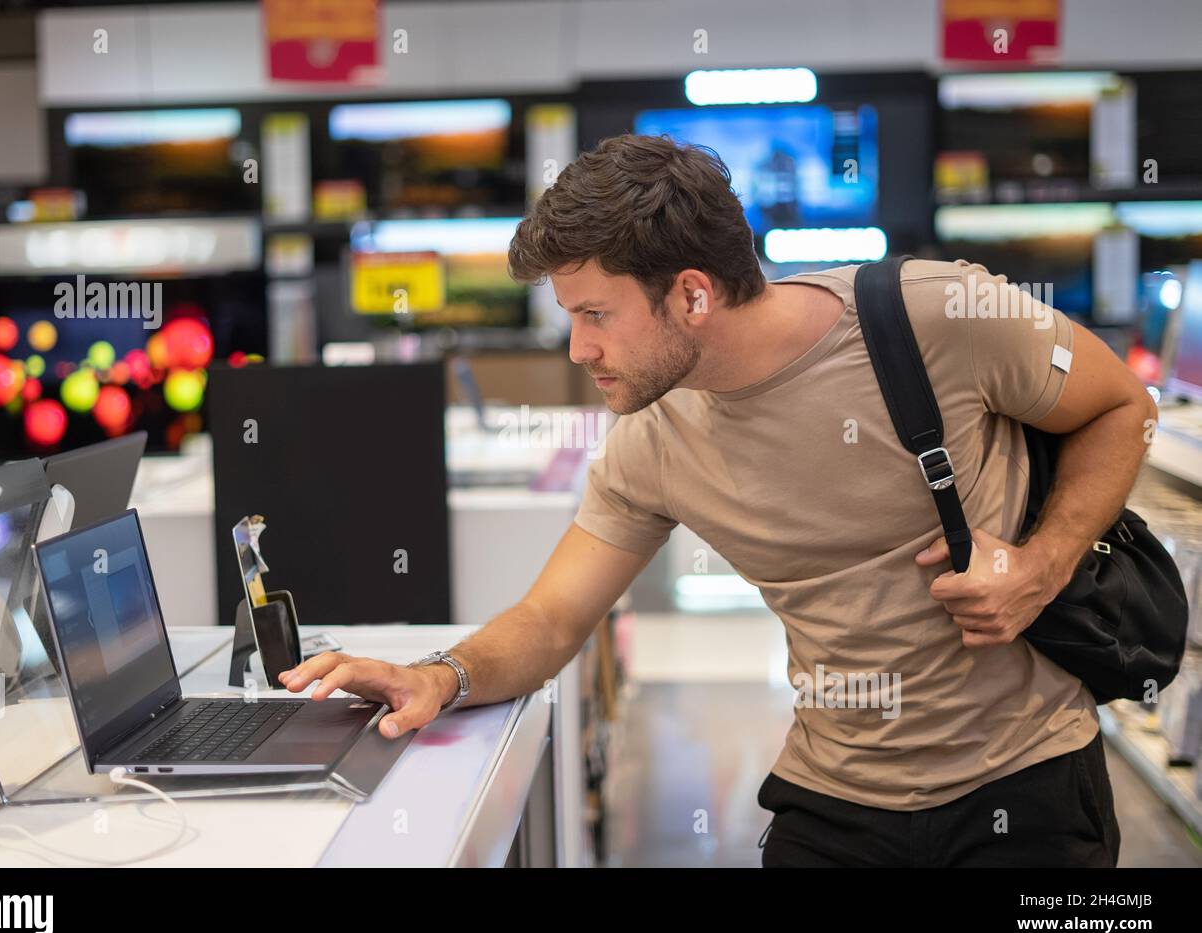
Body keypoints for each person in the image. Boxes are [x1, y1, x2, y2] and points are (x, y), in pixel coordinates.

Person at [280, 134, 1147, 866]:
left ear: (692, 294)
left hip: (1027, 791)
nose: (579, 348)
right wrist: (438, 677)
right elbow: (550, 621)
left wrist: (1042, 564)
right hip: (835, 800)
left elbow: (1122, 407)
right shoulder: (653, 441)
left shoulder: (933, 317)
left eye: (596, 315)